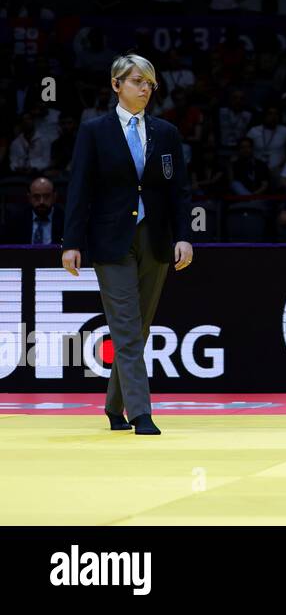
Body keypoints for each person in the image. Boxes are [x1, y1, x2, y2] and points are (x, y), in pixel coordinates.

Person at [60, 55, 194, 435]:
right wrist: (72, 242)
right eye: (137, 81)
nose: (145, 88)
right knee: (126, 325)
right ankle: (141, 413)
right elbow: (79, 189)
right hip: (110, 239)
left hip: (155, 238)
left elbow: (179, 190)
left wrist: (184, 235)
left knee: (140, 328)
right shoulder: (94, 131)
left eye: (150, 83)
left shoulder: (166, 132)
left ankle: (113, 405)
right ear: (116, 85)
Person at [2, 176, 64, 245]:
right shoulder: (16, 220)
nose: (41, 202)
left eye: (46, 196)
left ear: (54, 197)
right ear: (29, 197)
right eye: (36, 197)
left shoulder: (65, 220)